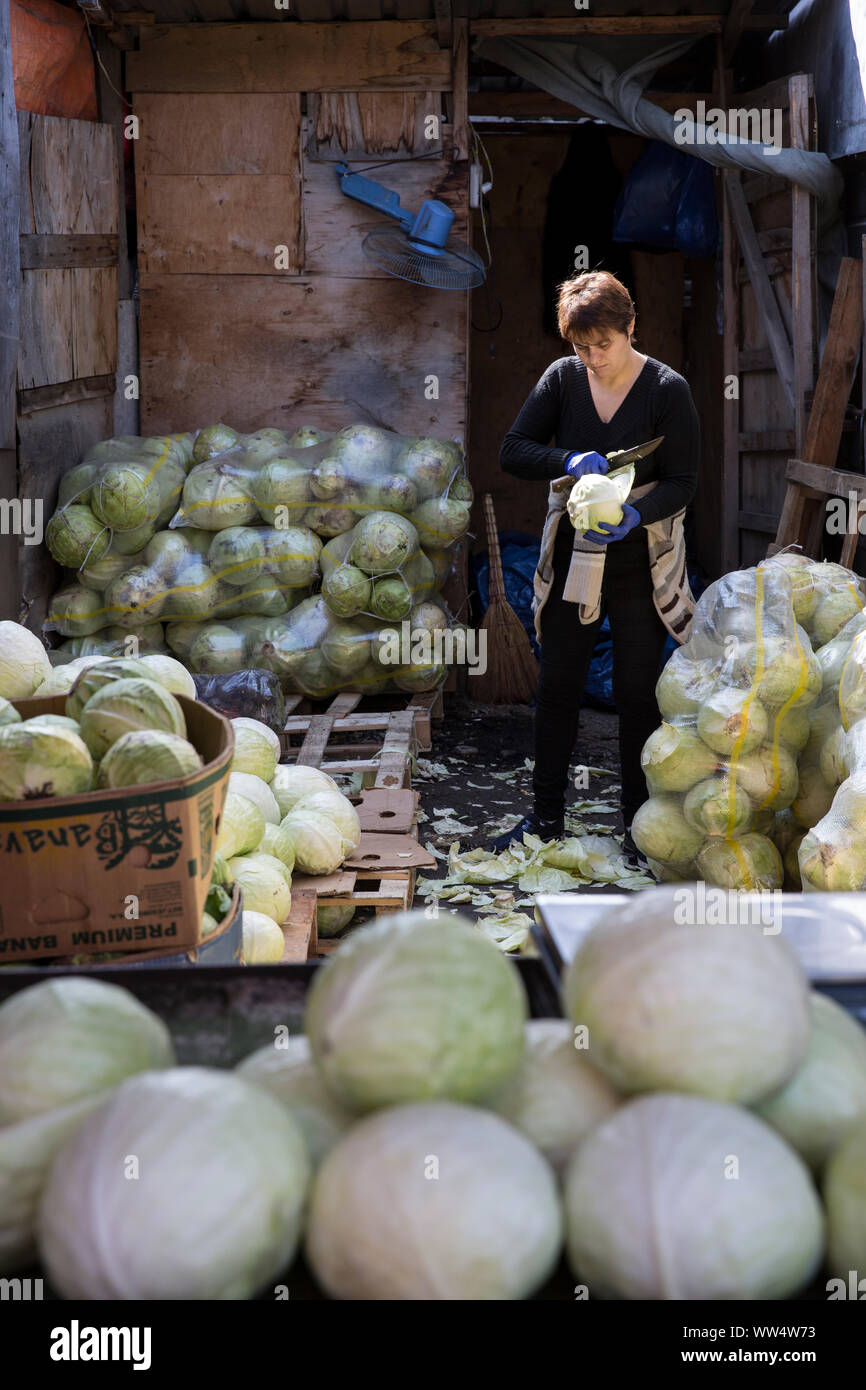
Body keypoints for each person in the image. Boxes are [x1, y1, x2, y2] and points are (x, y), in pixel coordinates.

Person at [492, 270, 700, 861]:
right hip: (575, 559)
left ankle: (636, 828)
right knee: (557, 689)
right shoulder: (563, 380)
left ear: (631, 327)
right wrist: (566, 458)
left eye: (603, 344)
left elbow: (685, 481)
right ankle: (545, 819)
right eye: (581, 347)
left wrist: (639, 516)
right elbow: (513, 450)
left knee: (638, 696)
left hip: (640, 561)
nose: (593, 358)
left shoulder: (667, 389)